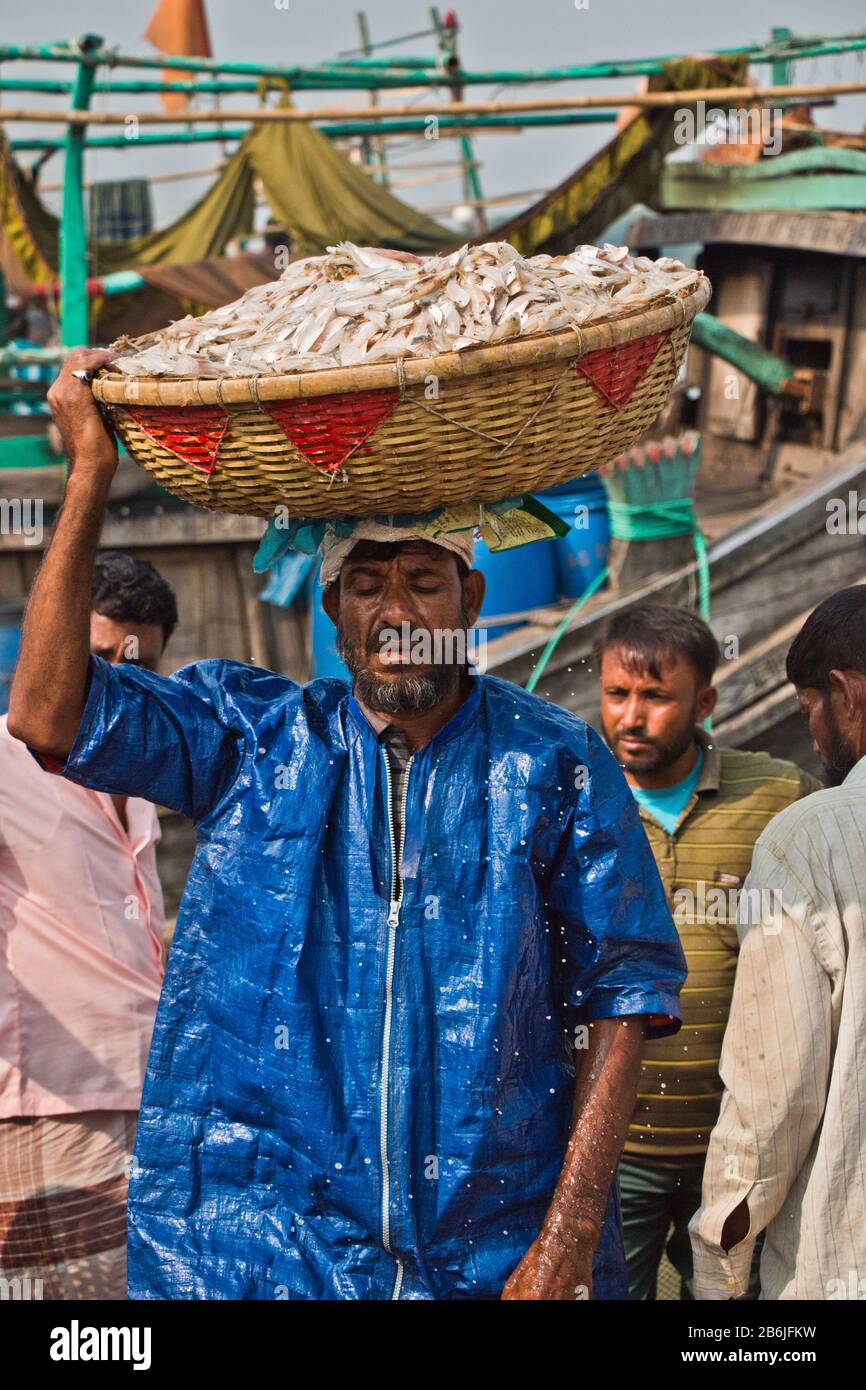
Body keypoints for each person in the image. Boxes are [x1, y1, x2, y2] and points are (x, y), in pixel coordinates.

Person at [8, 349, 686, 1303]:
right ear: (333, 610)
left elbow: (625, 993)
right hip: (269, 1243)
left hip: (494, 1245)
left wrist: (569, 1236)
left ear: (471, 600)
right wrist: (89, 474)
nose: (396, 611)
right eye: (367, 585)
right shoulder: (252, 739)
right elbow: (48, 718)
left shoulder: (553, 761)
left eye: (424, 581)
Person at [594, 602, 820, 1300]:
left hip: (739, 1146)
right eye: (616, 694)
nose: (632, 717)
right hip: (613, 1147)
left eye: (656, 697)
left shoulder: (776, 796)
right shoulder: (576, 797)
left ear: (704, 703)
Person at [0, 549, 177, 1300]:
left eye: (138, 665)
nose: (117, 684)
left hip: (143, 1092)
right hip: (52, 1103)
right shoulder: (5, 759)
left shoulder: (136, 776)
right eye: (97, 659)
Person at [691, 585, 866, 1300]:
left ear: (846, 694)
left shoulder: (810, 837)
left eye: (808, 711)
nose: (815, 737)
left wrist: (718, 1271)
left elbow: (773, 1102)